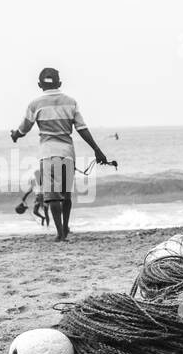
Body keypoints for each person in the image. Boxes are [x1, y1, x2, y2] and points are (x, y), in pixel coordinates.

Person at [10, 67, 112, 242]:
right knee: (66, 194)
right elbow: (82, 128)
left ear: (39, 84)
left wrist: (15, 135)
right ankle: (65, 226)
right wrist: (97, 150)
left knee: (53, 195)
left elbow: (24, 128)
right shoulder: (71, 102)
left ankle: (60, 234)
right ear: (60, 83)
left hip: (48, 154)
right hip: (67, 153)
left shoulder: (35, 104)